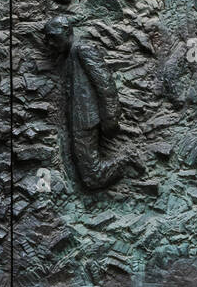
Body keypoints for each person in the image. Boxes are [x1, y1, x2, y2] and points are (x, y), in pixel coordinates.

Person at [44, 14, 140, 191]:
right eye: (47, 39)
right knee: (88, 173)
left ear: (66, 31)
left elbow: (105, 83)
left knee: (91, 176)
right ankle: (126, 162)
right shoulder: (70, 54)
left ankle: (128, 160)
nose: (50, 43)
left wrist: (111, 116)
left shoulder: (83, 49)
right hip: (79, 120)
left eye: (53, 37)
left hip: (87, 120)